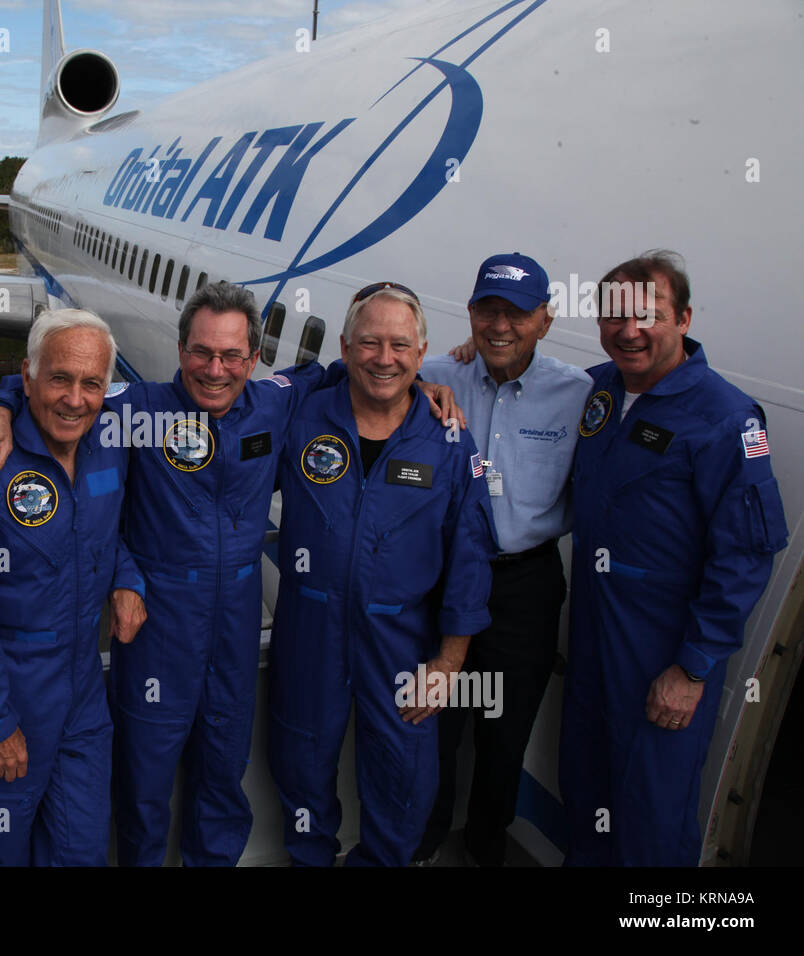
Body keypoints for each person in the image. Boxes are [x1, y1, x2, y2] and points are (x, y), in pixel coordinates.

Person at [0, 282, 462, 866]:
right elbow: (62, 387)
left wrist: (425, 385)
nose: (215, 370)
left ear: (254, 359)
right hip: (160, 631)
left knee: (224, 774)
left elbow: (362, 369)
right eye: (201, 353)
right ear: (180, 348)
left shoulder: (275, 402)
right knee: (144, 786)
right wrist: (0, 405)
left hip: (238, 627)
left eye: (232, 356)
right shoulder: (134, 412)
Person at [561, 250, 788, 866]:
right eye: (614, 317)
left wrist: (690, 669)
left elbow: (746, 555)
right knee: (586, 796)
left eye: (648, 315)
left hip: (661, 651)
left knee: (651, 816)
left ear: (683, 318)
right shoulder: (599, 390)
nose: (629, 331)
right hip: (592, 639)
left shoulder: (726, 418)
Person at [268, 283, 495, 866]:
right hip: (309, 630)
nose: (384, 358)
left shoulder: (448, 440)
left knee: (403, 781)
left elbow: (470, 560)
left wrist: (448, 663)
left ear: (422, 356)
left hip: (403, 644)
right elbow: (221, 410)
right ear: (344, 348)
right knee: (301, 767)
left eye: (400, 346)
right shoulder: (302, 414)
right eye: (369, 343)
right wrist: (8, 401)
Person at [0, 308, 147, 865]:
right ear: (27, 378)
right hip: (7, 698)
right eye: (59, 379)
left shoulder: (109, 441)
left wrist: (126, 579)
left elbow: (100, 536)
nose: (75, 399)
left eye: (91, 383)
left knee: (82, 848)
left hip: (82, 700)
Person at [411, 253, 592, 866]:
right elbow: (355, 367)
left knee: (503, 736)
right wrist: (418, 383)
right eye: (488, 311)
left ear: (545, 319)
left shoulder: (580, 394)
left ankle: (486, 848)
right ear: (470, 314)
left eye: (516, 314)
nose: (500, 326)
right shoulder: (434, 376)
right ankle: (422, 845)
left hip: (524, 586)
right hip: (439, 581)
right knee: (430, 727)